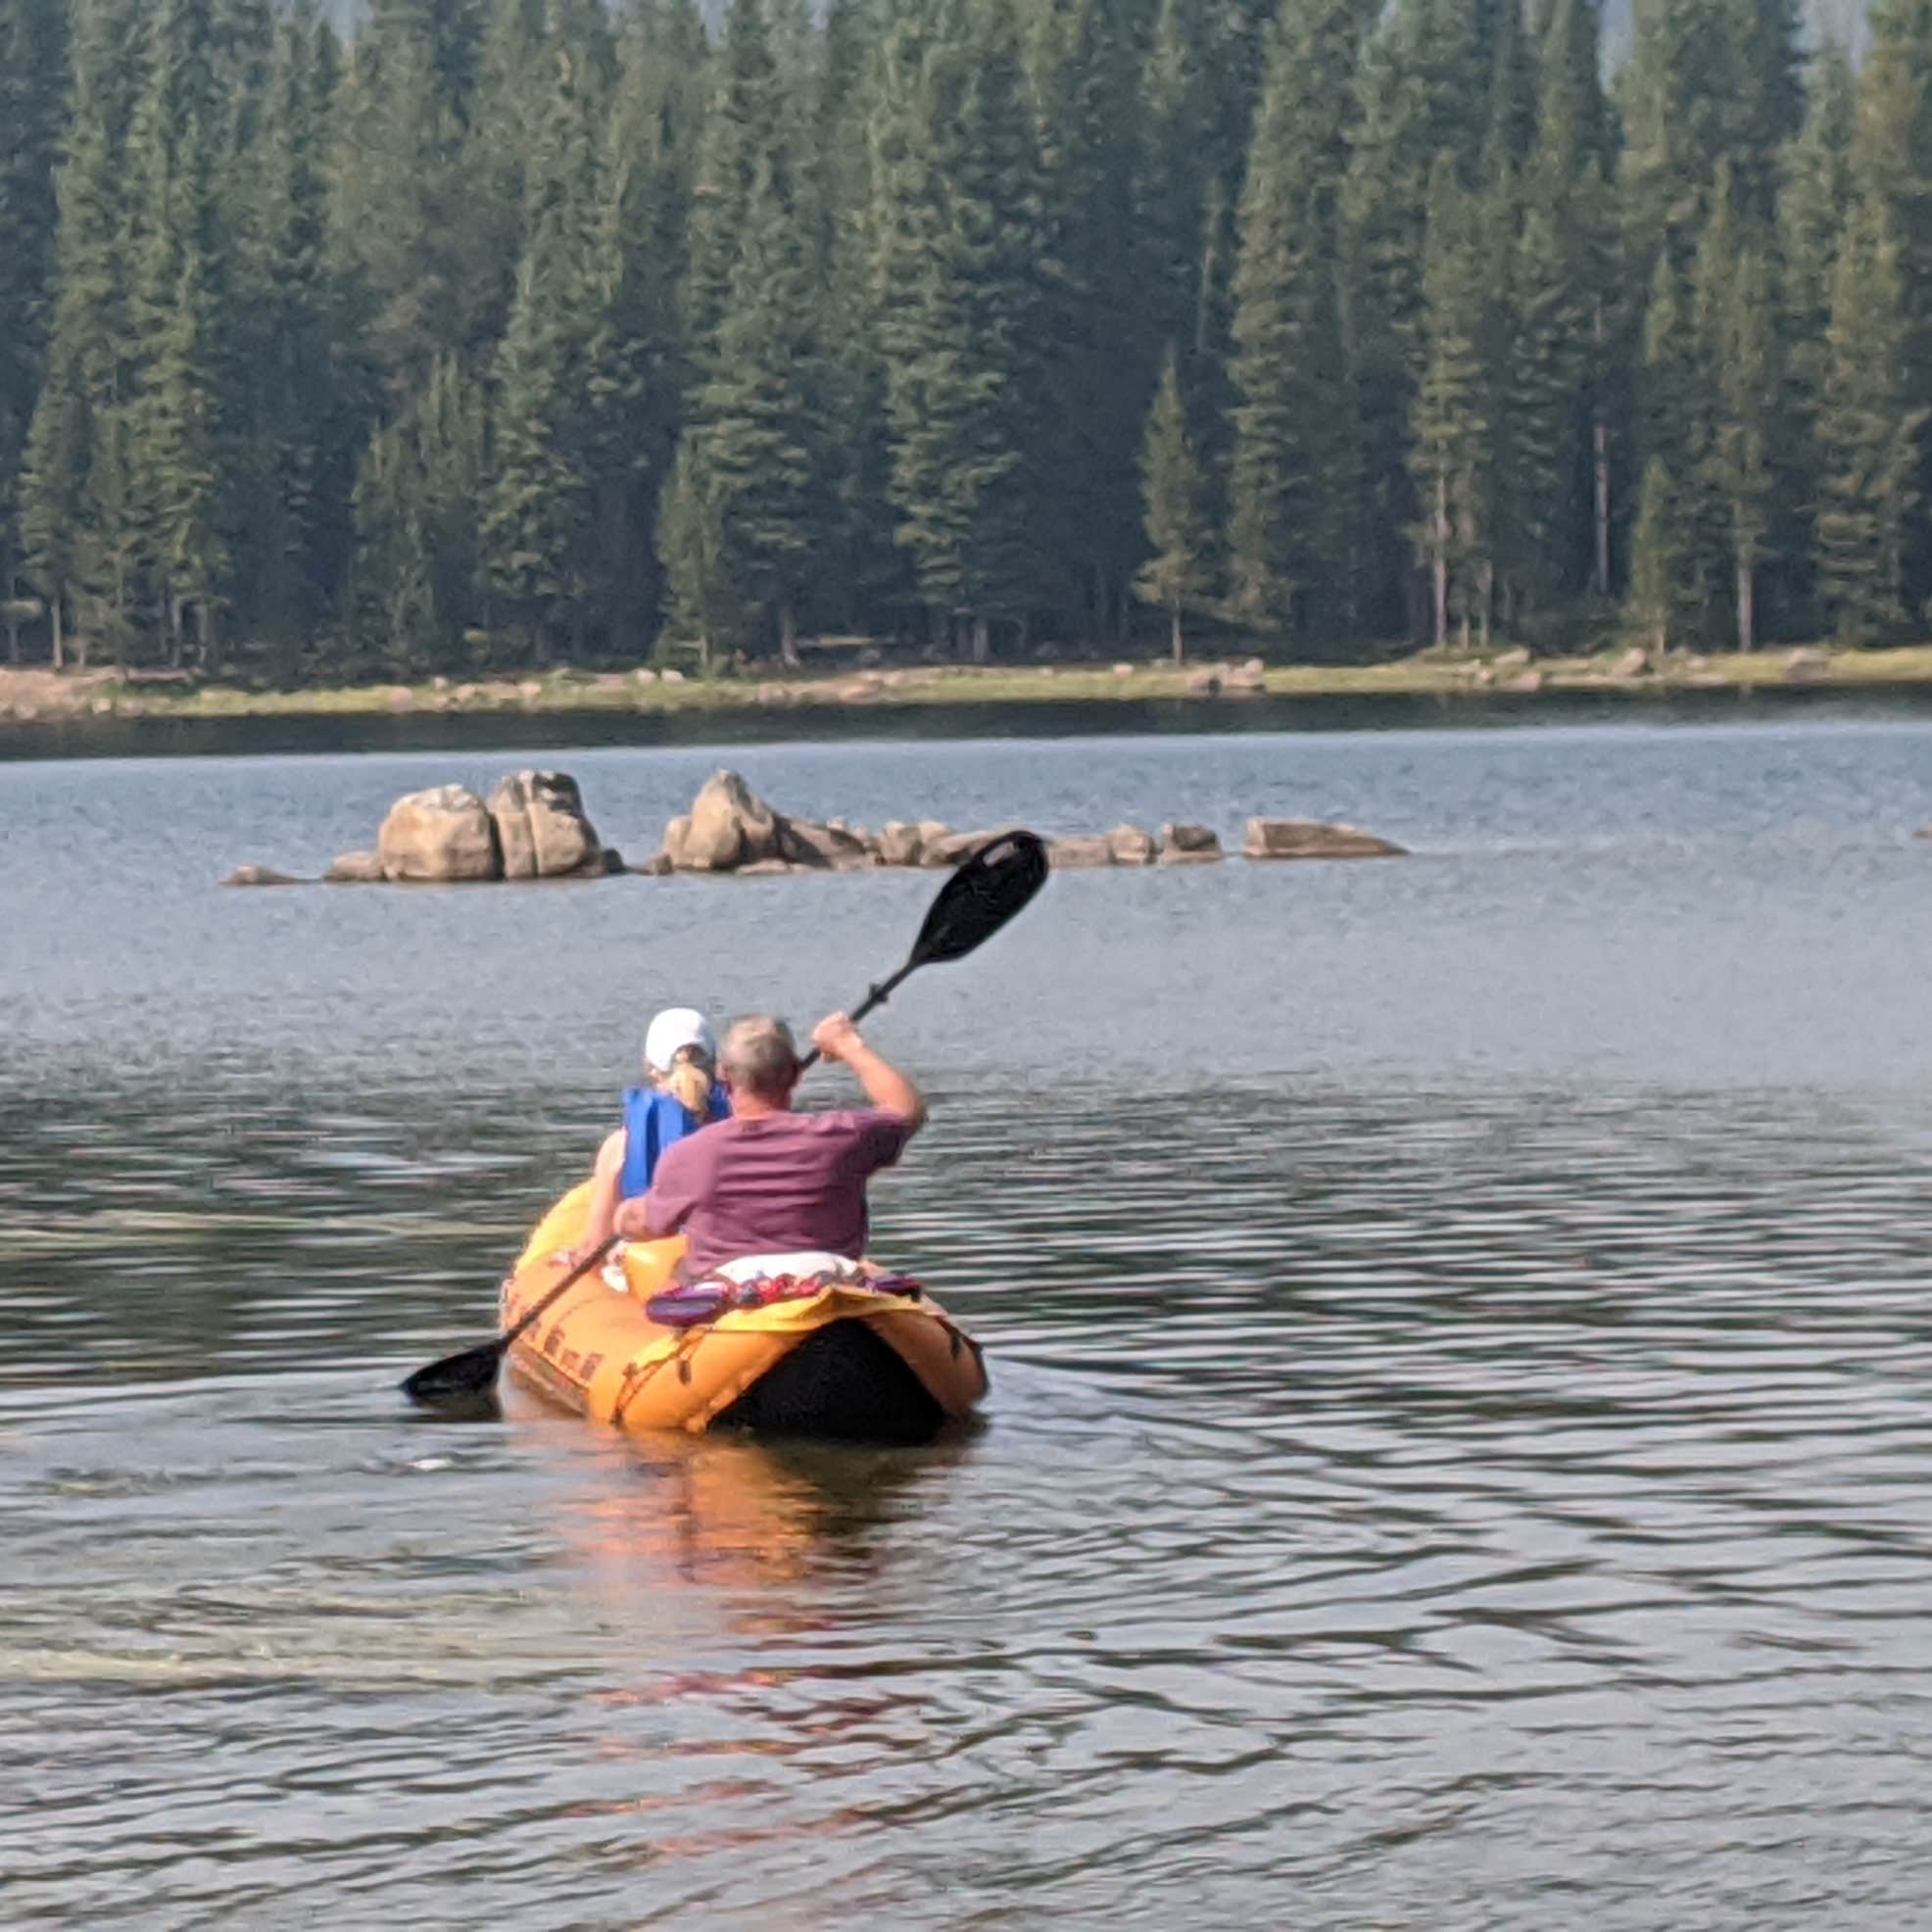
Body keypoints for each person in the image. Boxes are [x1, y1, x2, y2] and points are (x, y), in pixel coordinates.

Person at [614, 1011, 925, 1280]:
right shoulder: (843, 1138)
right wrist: (849, 1046)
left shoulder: (690, 1155)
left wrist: (625, 1214)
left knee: (675, 1271)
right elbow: (906, 1110)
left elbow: (646, 1225)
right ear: (795, 1073)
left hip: (733, 1306)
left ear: (724, 1074)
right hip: (832, 1293)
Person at [574, 1007, 730, 1259]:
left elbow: (595, 1244)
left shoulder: (619, 1146)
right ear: (715, 1065)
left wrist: (575, 1257)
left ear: (650, 1067)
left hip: (654, 1270)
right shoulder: (742, 1129)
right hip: (726, 1258)